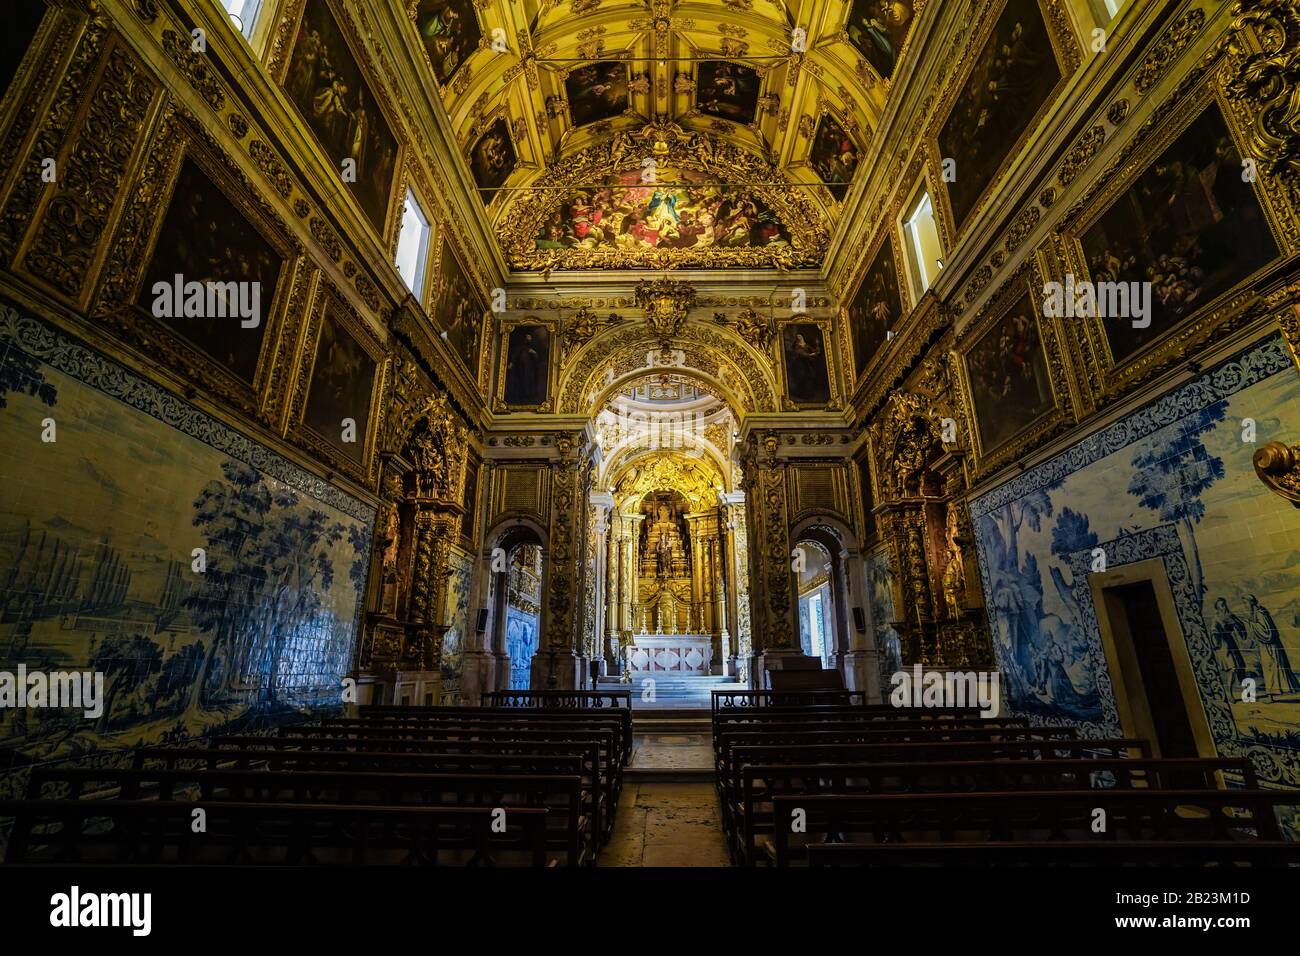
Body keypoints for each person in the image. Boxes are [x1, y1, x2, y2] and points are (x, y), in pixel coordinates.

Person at [1247, 594, 1300, 698]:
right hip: (1266, 646)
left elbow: (1267, 632)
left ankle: (1271, 695)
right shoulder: (1256, 614)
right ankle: (1279, 691)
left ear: (1250, 603)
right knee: (1272, 668)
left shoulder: (1260, 614)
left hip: (1270, 646)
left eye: (1245, 603)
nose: (1244, 606)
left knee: (1271, 669)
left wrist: (1252, 624)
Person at [1210, 596, 1249, 691]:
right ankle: (1230, 693)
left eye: (1225, 605)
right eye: (1222, 605)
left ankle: (1246, 691)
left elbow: (1241, 626)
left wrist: (1236, 624)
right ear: (1217, 608)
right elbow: (1213, 630)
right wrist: (1217, 638)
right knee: (1232, 669)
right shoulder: (1216, 618)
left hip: (1232, 643)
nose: (1224, 607)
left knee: (1240, 667)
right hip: (1223, 645)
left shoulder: (1230, 616)